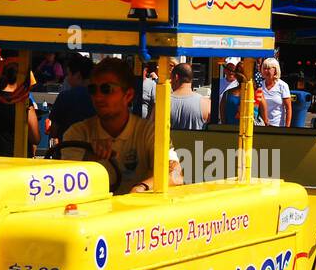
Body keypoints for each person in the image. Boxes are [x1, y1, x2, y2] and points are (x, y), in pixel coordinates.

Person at [61, 57, 181, 194]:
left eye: (106, 89)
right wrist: (89, 159)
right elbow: (67, 188)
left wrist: (142, 187)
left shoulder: (149, 132)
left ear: (128, 95)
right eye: (93, 89)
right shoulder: (76, 134)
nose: (98, 96)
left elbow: (176, 176)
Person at [46, 55, 96, 145]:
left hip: (67, 153)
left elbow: (53, 132)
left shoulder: (65, 97)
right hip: (95, 154)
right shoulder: (102, 98)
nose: (67, 79)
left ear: (78, 75)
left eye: (68, 74)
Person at [170, 61, 208, 131]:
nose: (170, 81)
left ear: (176, 77)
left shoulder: (162, 102)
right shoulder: (206, 103)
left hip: (168, 142)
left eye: (171, 78)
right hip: (197, 142)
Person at [258, 56, 293, 127]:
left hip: (277, 125)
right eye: (264, 68)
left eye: (268, 68)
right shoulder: (259, 85)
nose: (266, 71)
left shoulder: (283, 86)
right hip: (261, 124)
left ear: (275, 70)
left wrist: (287, 127)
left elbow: (288, 108)